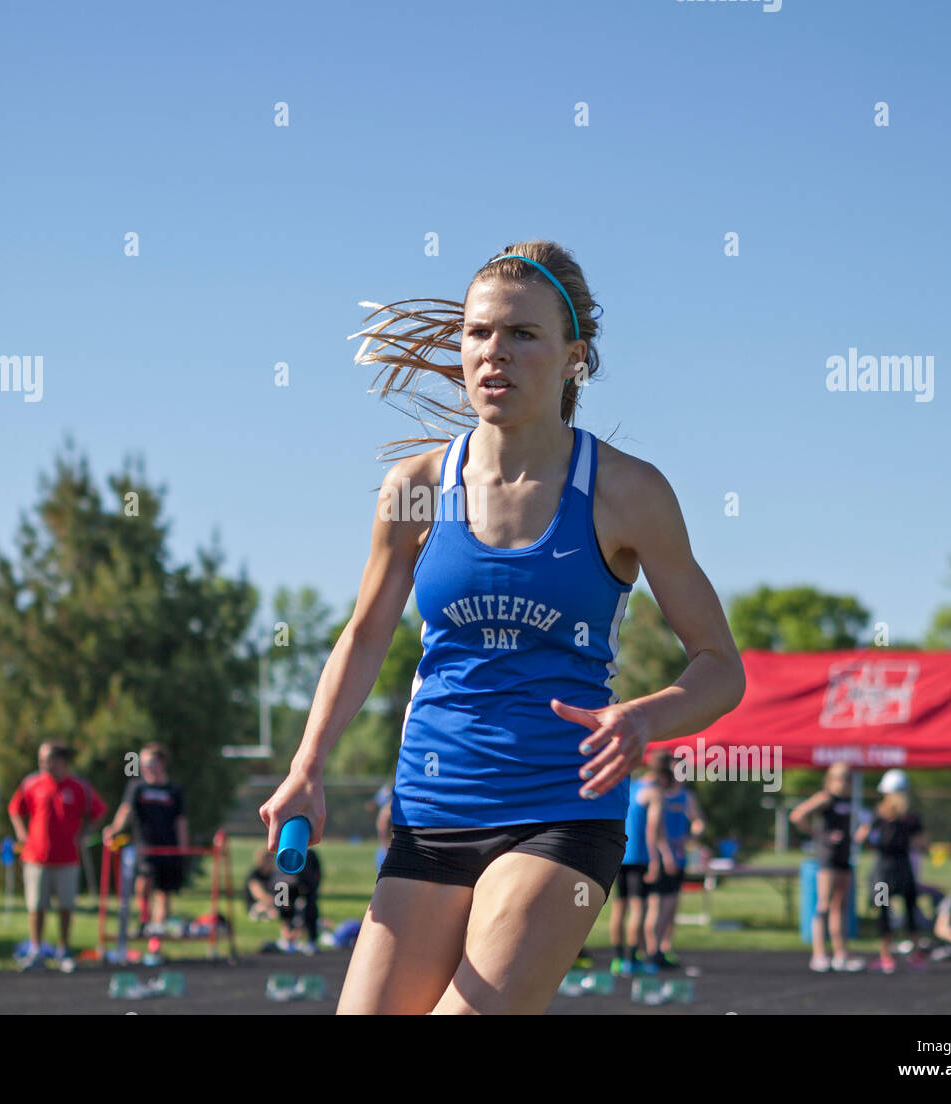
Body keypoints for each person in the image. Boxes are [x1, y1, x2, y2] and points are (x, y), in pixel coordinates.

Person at [259, 241, 746, 1014]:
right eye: (479, 333)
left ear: (573, 358)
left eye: (523, 335)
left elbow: (721, 665)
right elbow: (364, 634)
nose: (495, 353)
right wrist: (308, 763)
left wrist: (642, 719)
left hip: (562, 807)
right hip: (430, 811)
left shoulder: (627, 492)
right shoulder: (415, 488)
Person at [8, 742, 106, 973]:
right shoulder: (31, 783)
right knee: (36, 906)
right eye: (41, 759)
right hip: (36, 857)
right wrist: (22, 834)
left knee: (65, 906)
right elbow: (15, 810)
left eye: (48, 759)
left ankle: (63, 949)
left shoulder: (79, 786)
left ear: (62, 761)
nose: (43, 764)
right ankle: (36, 950)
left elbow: (99, 811)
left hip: (67, 858)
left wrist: (85, 833)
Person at [102, 744, 188, 936]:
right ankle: (143, 918)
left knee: (163, 892)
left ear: (162, 763)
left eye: (150, 763)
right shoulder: (137, 787)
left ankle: (156, 933)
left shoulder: (174, 790)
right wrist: (115, 829)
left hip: (168, 847)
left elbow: (181, 820)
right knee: (143, 882)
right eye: (143, 764)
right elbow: (126, 810)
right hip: (145, 847)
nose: (145, 767)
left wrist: (183, 849)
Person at [790, 762, 865, 972]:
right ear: (831, 779)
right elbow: (797, 815)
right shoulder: (825, 798)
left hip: (845, 857)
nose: (845, 782)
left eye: (848, 778)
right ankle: (819, 954)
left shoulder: (849, 800)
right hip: (828, 858)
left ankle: (840, 954)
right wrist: (820, 836)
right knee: (823, 905)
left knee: (840, 906)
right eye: (841, 777)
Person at [854, 769, 926, 973]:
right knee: (910, 910)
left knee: (884, 912)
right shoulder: (911, 818)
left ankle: (886, 958)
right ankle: (915, 955)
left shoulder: (879, 815)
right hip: (904, 868)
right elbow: (920, 843)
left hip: (884, 869)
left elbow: (861, 837)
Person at [643, 750, 705, 970]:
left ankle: (663, 949)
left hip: (678, 858)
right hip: (657, 858)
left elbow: (698, 822)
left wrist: (691, 836)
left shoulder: (686, 796)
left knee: (670, 906)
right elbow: (654, 831)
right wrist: (664, 853)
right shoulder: (656, 793)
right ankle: (650, 951)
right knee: (655, 906)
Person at [609, 766, 653, 977]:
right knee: (638, 908)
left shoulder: (626, 788)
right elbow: (654, 829)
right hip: (640, 857)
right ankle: (631, 958)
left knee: (619, 907)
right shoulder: (652, 792)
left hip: (620, 855)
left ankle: (617, 958)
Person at [245, 846, 323, 953]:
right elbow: (259, 893)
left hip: (279, 900)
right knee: (283, 904)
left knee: (293, 904)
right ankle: (288, 937)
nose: (270, 864)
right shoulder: (255, 875)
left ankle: (295, 937)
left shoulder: (274, 873)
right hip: (260, 905)